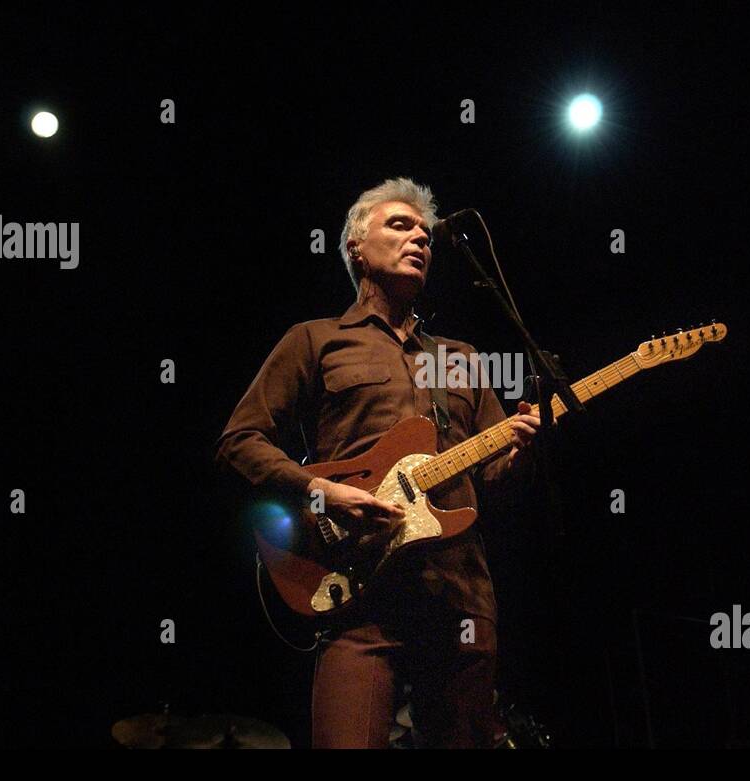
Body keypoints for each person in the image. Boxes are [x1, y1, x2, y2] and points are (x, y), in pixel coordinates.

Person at [216, 177, 540, 748]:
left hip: (458, 592)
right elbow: (240, 441)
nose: (419, 237)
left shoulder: (459, 359)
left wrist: (516, 451)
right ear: (355, 249)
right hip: (356, 593)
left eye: (425, 233)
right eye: (399, 225)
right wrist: (325, 492)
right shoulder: (316, 340)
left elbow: (494, 482)